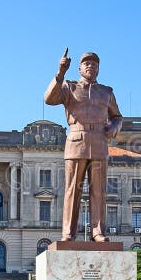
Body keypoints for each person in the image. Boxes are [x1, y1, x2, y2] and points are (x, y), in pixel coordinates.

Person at [44, 48, 123, 242]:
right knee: (73, 190)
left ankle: (97, 231)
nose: (90, 66)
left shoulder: (106, 92)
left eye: (94, 64)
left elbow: (117, 117)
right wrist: (60, 73)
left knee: (99, 191)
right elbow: (49, 99)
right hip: (76, 140)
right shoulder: (69, 87)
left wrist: (113, 128)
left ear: (98, 69)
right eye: (86, 63)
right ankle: (68, 233)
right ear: (79, 68)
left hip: (99, 141)